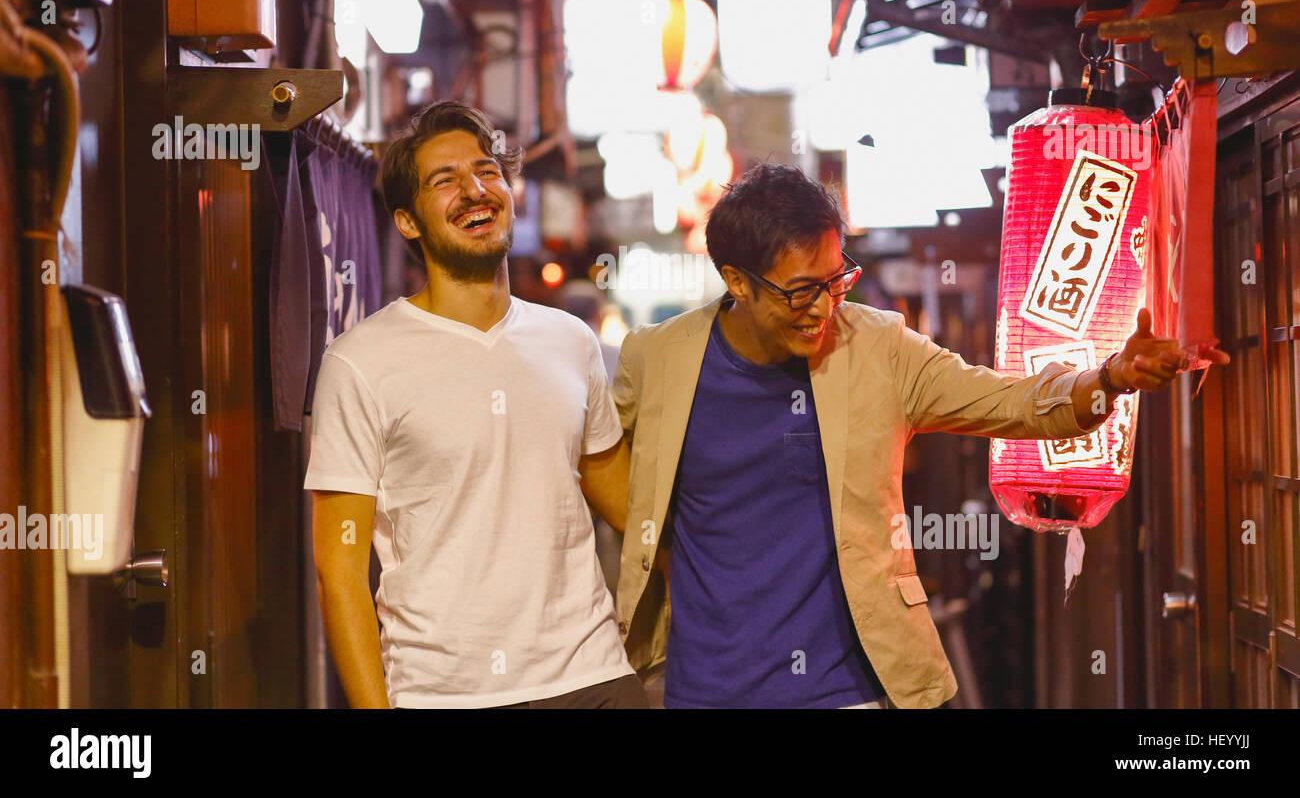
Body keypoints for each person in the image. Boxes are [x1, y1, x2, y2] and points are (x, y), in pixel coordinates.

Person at [609, 162, 1230, 709]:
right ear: (737, 281)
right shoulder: (658, 360)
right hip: (707, 690)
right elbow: (599, 465)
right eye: (801, 291)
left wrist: (1110, 377)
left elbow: (1010, 401)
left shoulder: (876, 345)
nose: (824, 308)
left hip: (845, 688)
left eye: (835, 281)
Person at [305, 101, 645, 709]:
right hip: (445, 693)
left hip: (592, 678)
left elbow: (629, 506)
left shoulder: (570, 341)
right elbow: (339, 570)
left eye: (486, 172)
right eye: (446, 181)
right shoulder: (361, 361)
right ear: (408, 222)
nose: (474, 191)